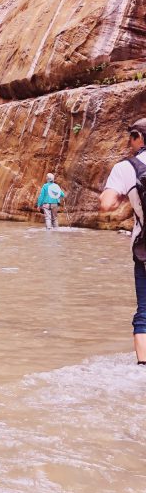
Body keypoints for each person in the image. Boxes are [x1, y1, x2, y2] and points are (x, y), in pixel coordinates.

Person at [100, 120, 146, 365]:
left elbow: (106, 204)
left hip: (144, 250)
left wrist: (120, 197)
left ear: (138, 138)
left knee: (145, 311)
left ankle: (142, 368)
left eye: (131, 137)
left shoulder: (127, 168)